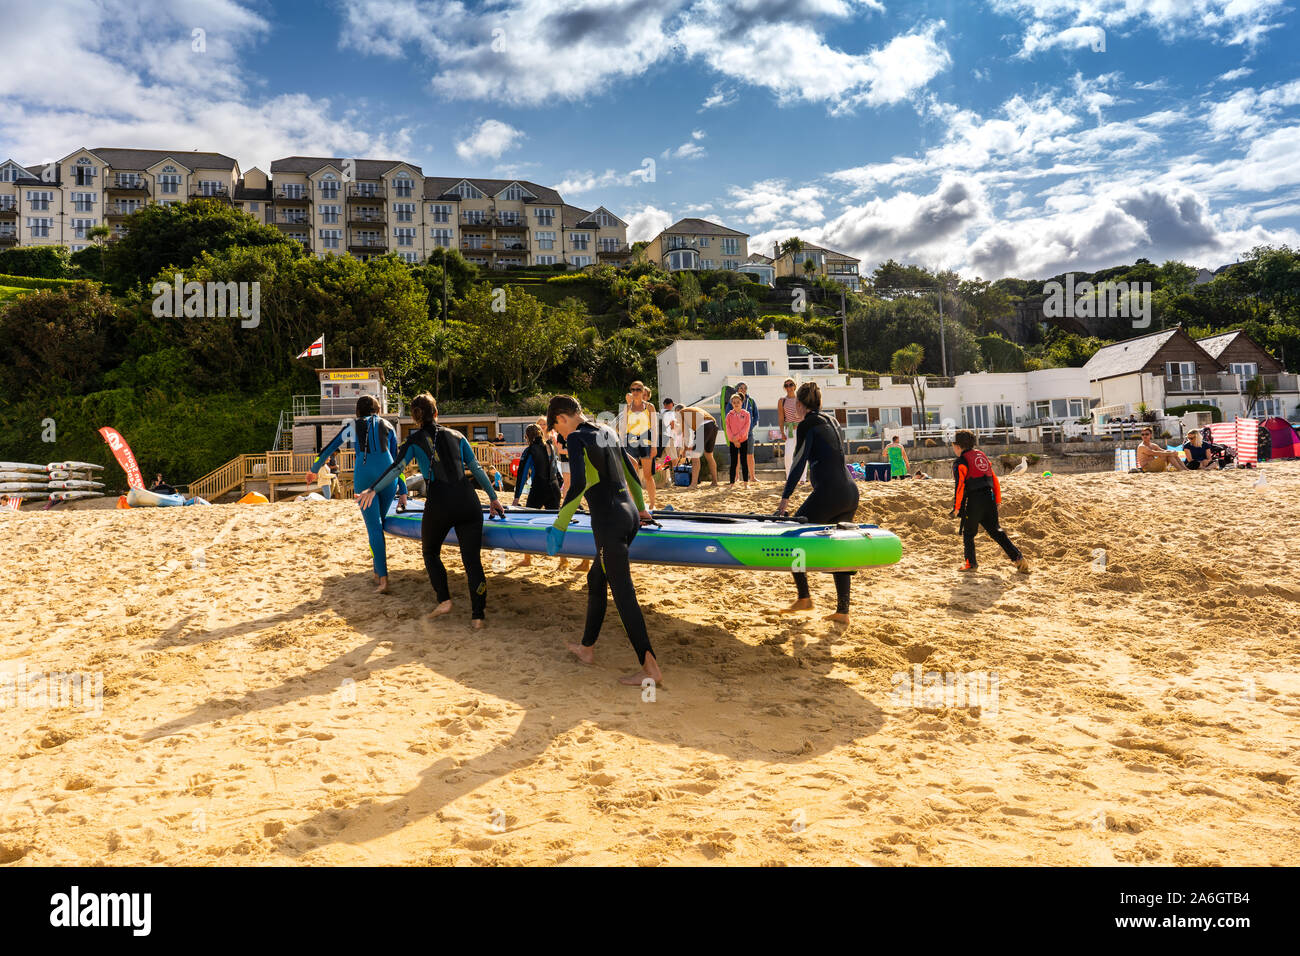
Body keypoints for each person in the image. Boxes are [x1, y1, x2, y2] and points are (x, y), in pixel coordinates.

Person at [356, 393, 505, 627]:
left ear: (416, 419)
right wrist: (494, 498)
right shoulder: (458, 436)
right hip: (468, 501)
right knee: (472, 561)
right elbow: (475, 468)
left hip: (440, 504)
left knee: (431, 552)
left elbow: (396, 469)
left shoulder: (414, 442)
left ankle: (444, 600)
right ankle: (478, 615)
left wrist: (373, 489)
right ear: (436, 413)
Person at [546, 394, 661, 686]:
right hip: (629, 516)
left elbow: (579, 485)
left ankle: (650, 669)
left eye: (558, 430)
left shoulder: (575, 439)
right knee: (596, 579)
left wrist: (559, 527)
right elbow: (631, 469)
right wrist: (642, 508)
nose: (561, 436)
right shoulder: (606, 429)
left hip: (609, 522)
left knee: (624, 596)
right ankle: (586, 648)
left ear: (561, 418)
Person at [776, 382, 860, 623]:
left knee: (793, 536)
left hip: (829, 493)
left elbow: (798, 462)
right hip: (850, 492)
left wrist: (785, 499)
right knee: (840, 551)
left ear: (800, 405)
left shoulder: (806, 425)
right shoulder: (831, 420)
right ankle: (843, 612)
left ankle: (804, 598)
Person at [307, 396, 407, 593]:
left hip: (365, 477)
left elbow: (330, 447)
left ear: (358, 410)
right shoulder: (388, 424)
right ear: (377, 410)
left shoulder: (353, 425)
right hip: (389, 477)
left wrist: (314, 468)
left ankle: (382, 578)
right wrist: (403, 490)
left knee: (374, 528)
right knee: (379, 525)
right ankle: (378, 571)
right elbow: (398, 459)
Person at [949, 429, 1030, 574]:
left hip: (974, 501)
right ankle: (1018, 558)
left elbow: (960, 485)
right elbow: (994, 479)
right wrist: (997, 499)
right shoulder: (981, 457)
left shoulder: (960, 462)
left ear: (958, 446)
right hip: (990, 498)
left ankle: (971, 564)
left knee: (968, 534)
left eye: (953, 445)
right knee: (997, 531)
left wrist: (957, 507)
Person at [620, 381, 658, 510]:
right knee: (631, 474)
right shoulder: (627, 408)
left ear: (643, 392)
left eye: (638, 389)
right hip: (631, 441)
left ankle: (652, 504)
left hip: (646, 440)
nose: (635, 392)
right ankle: (632, 503)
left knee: (647, 475)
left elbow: (654, 427)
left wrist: (654, 446)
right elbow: (623, 428)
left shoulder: (649, 407)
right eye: (633, 389)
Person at [677, 405, 720, 486]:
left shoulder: (681, 413)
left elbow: (686, 434)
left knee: (695, 456)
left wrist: (685, 449)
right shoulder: (692, 410)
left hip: (704, 426)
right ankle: (714, 482)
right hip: (713, 426)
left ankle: (693, 484)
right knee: (709, 455)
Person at [777, 378, 805, 481]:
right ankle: (789, 478)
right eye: (786, 385)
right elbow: (780, 417)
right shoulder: (782, 401)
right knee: (788, 455)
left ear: (795, 386)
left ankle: (802, 479)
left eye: (791, 384)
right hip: (789, 430)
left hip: (801, 429)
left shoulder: (801, 399)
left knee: (802, 454)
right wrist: (782, 432)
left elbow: (805, 415)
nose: (789, 387)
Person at [735, 382, 760, 483]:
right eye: (741, 388)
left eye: (745, 388)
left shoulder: (751, 401)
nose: (743, 390)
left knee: (750, 455)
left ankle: (752, 477)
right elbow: (728, 415)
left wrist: (750, 427)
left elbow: (756, 416)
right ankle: (736, 477)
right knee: (737, 456)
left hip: (748, 434)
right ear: (737, 389)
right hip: (736, 435)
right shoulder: (733, 401)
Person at [725, 392, 752, 486]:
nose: (736, 404)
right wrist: (733, 439)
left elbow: (746, 428)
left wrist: (738, 438)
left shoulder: (746, 414)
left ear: (742, 402)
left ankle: (745, 483)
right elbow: (727, 428)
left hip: (743, 440)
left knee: (744, 462)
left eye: (738, 402)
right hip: (733, 442)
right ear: (732, 404)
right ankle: (732, 483)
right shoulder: (729, 415)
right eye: (734, 402)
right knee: (733, 462)